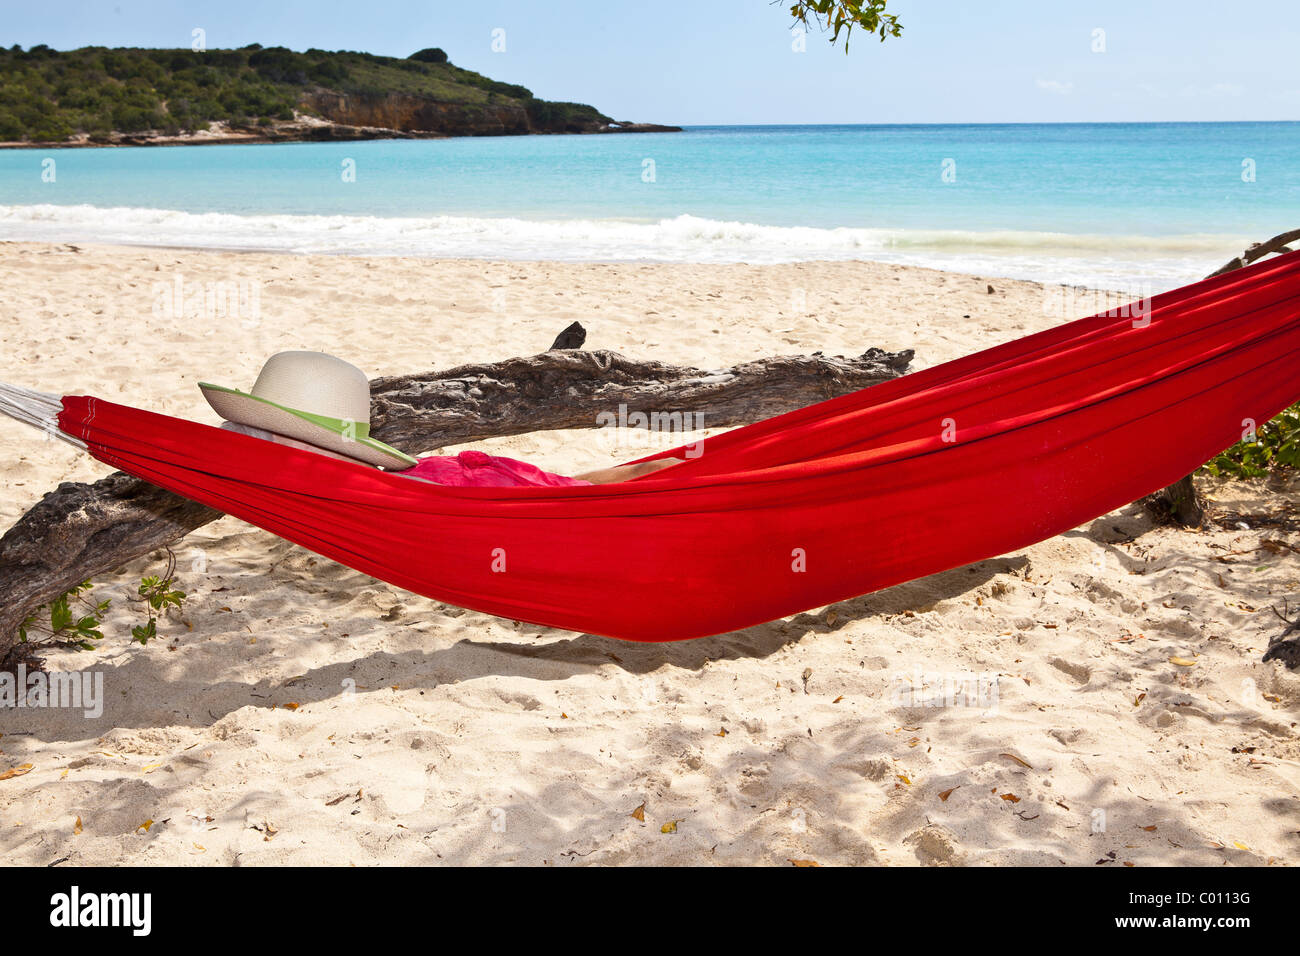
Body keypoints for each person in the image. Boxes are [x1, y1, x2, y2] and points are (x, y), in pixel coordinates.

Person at [199, 351, 683, 487]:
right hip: (431, 485)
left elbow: (232, 437)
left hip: (433, 486)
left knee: (594, 486)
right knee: (596, 485)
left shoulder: (257, 444)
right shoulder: (278, 449)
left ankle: (694, 475)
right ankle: (704, 475)